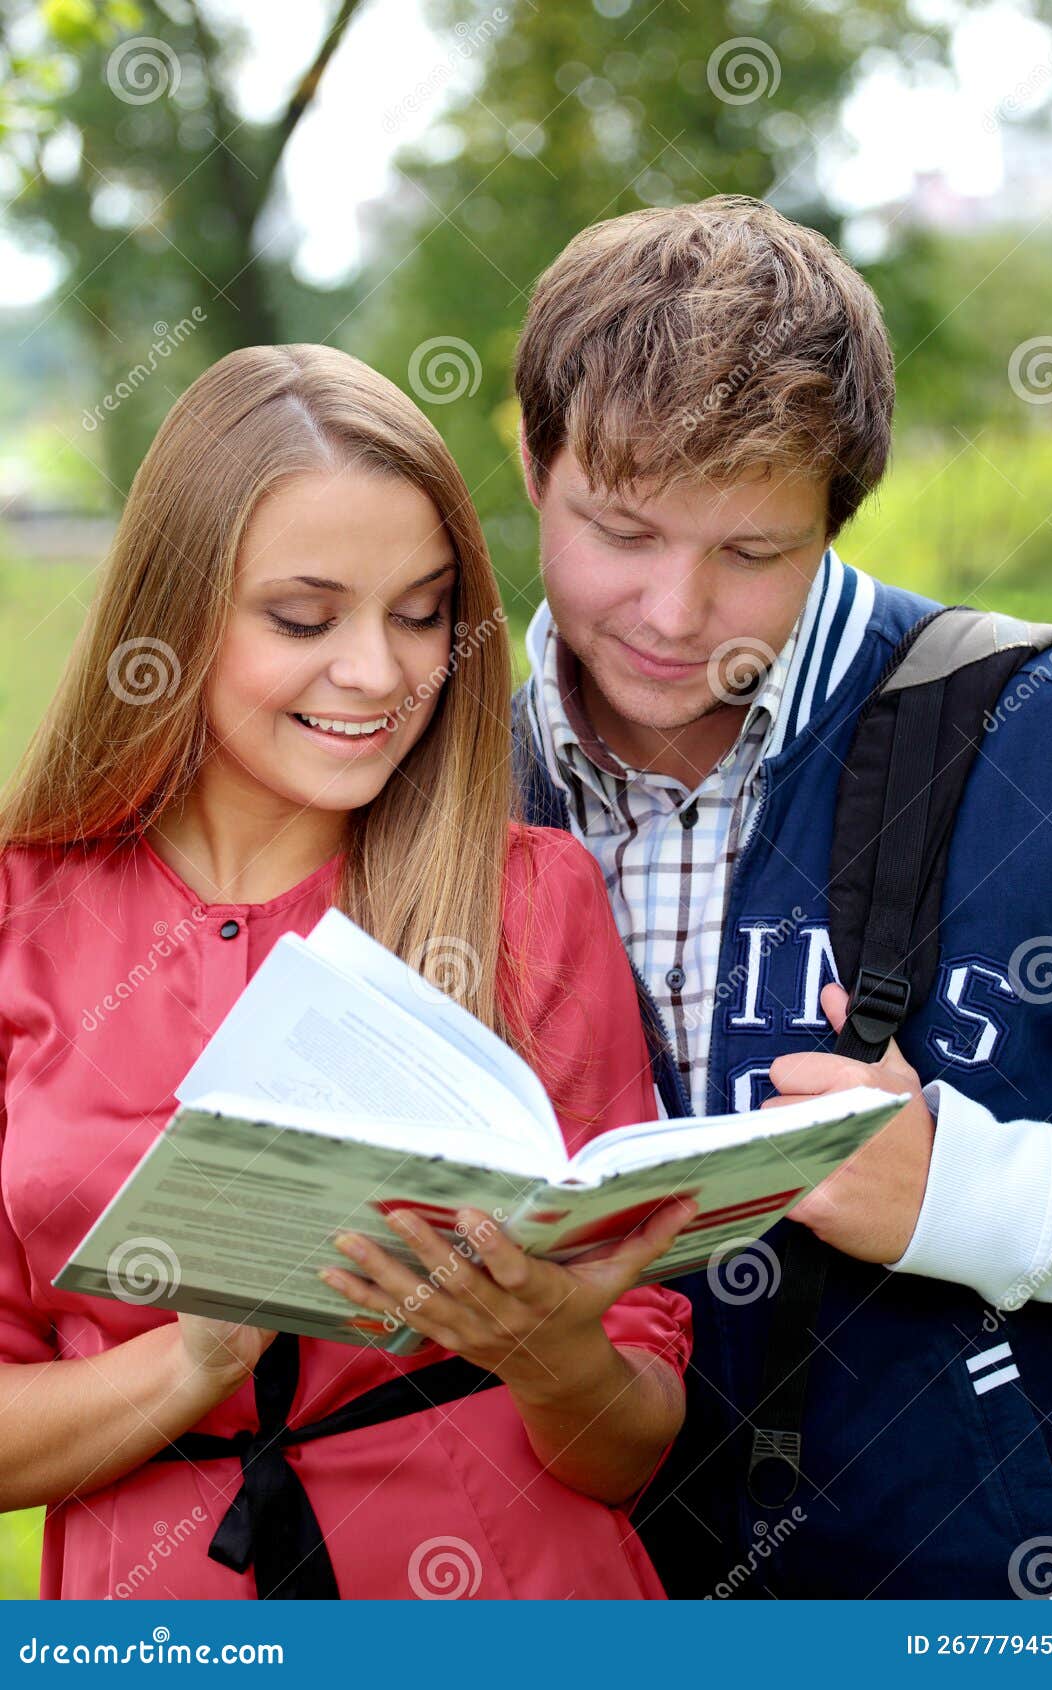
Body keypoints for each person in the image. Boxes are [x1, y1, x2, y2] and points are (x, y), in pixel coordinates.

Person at [509, 195, 1052, 1599]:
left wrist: (967, 1194)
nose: (674, 611)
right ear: (531, 461)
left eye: (750, 552)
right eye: (620, 530)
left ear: (837, 509)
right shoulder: (414, 776)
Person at [0, 343, 695, 1601]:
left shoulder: (531, 900)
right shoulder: (21, 914)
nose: (380, 673)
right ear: (172, 615)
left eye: (421, 613)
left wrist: (553, 1353)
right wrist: (187, 1364)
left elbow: (629, 1443)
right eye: (304, 618)